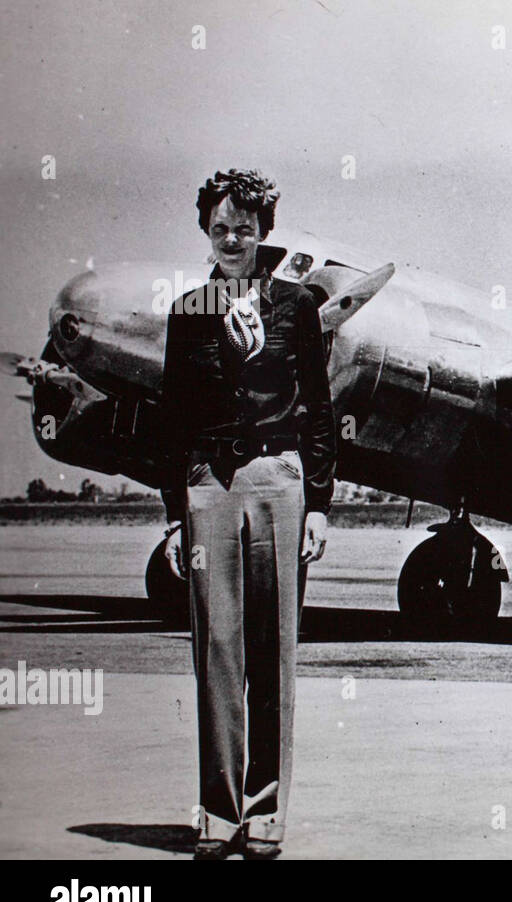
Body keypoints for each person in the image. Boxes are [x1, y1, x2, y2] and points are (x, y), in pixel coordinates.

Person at [159, 169, 336, 859]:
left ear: (265, 229)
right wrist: (177, 512)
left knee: (274, 654)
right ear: (206, 230)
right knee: (217, 654)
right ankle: (217, 810)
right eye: (219, 227)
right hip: (210, 484)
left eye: (244, 226)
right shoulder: (186, 310)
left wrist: (318, 504)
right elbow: (173, 421)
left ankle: (265, 813)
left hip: (280, 480)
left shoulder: (296, 307)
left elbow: (318, 410)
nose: (232, 238)